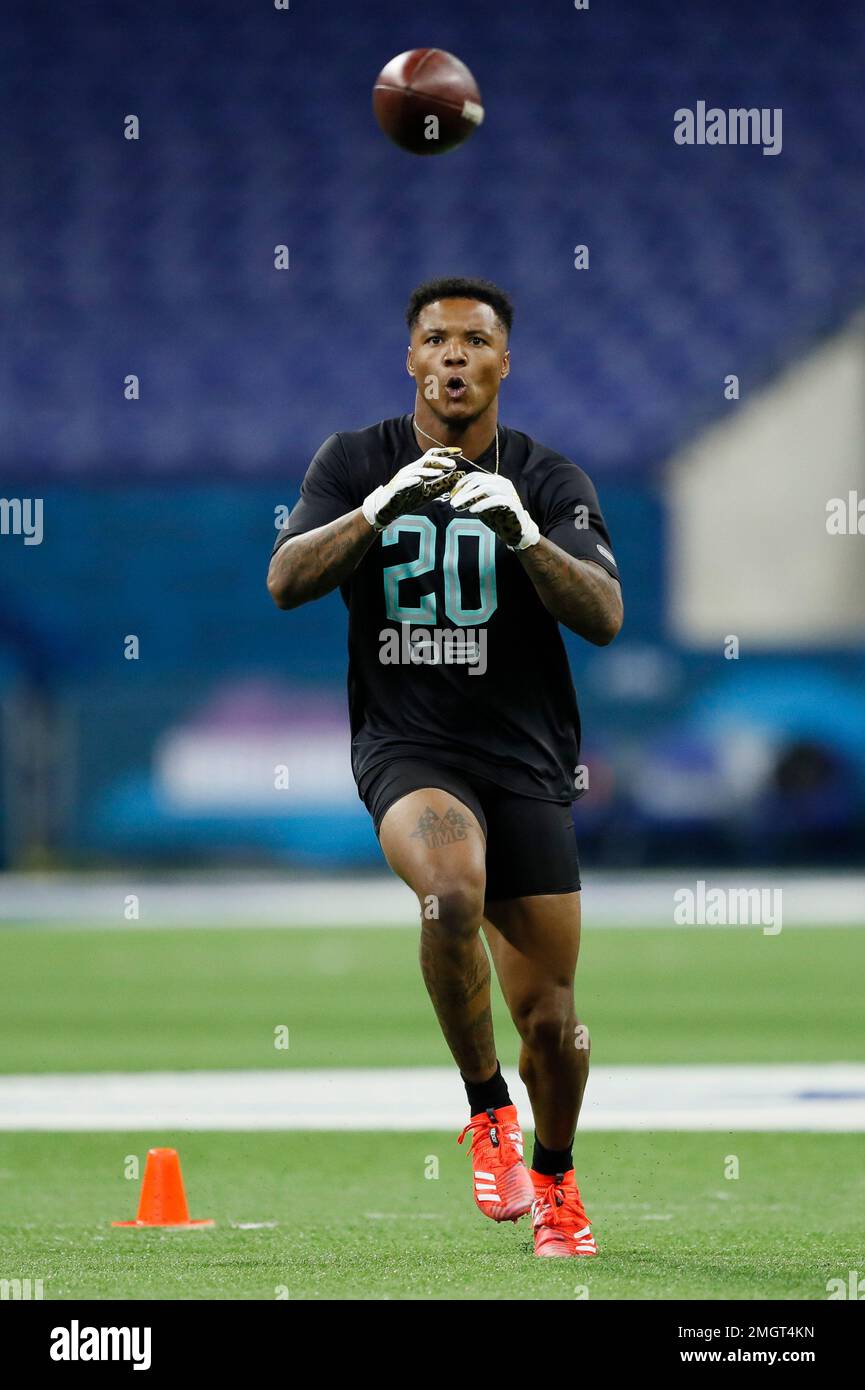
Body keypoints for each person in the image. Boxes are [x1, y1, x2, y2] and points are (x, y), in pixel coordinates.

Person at [267, 276, 623, 1256]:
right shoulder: (355, 460)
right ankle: (485, 1111)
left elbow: (603, 615)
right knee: (450, 891)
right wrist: (379, 508)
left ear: (505, 362)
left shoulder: (547, 477)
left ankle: (553, 1176)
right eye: (435, 339)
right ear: (411, 359)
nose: (454, 355)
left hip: (523, 756)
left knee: (553, 1024)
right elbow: (287, 581)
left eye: (475, 340)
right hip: (408, 743)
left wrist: (522, 530)